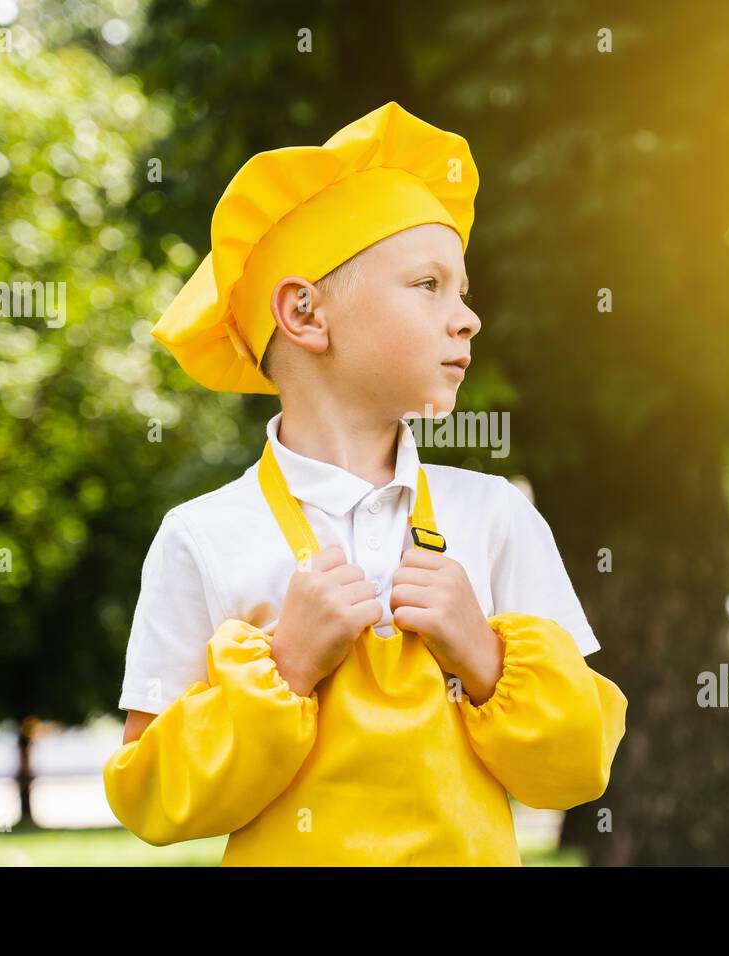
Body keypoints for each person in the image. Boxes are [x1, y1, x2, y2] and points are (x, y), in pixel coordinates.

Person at [102, 101, 628, 865]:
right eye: (429, 285)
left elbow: (581, 767)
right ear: (305, 313)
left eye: (464, 290)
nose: (468, 319)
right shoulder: (202, 537)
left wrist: (482, 656)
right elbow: (150, 797)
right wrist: (284, 668)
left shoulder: (496, 517)